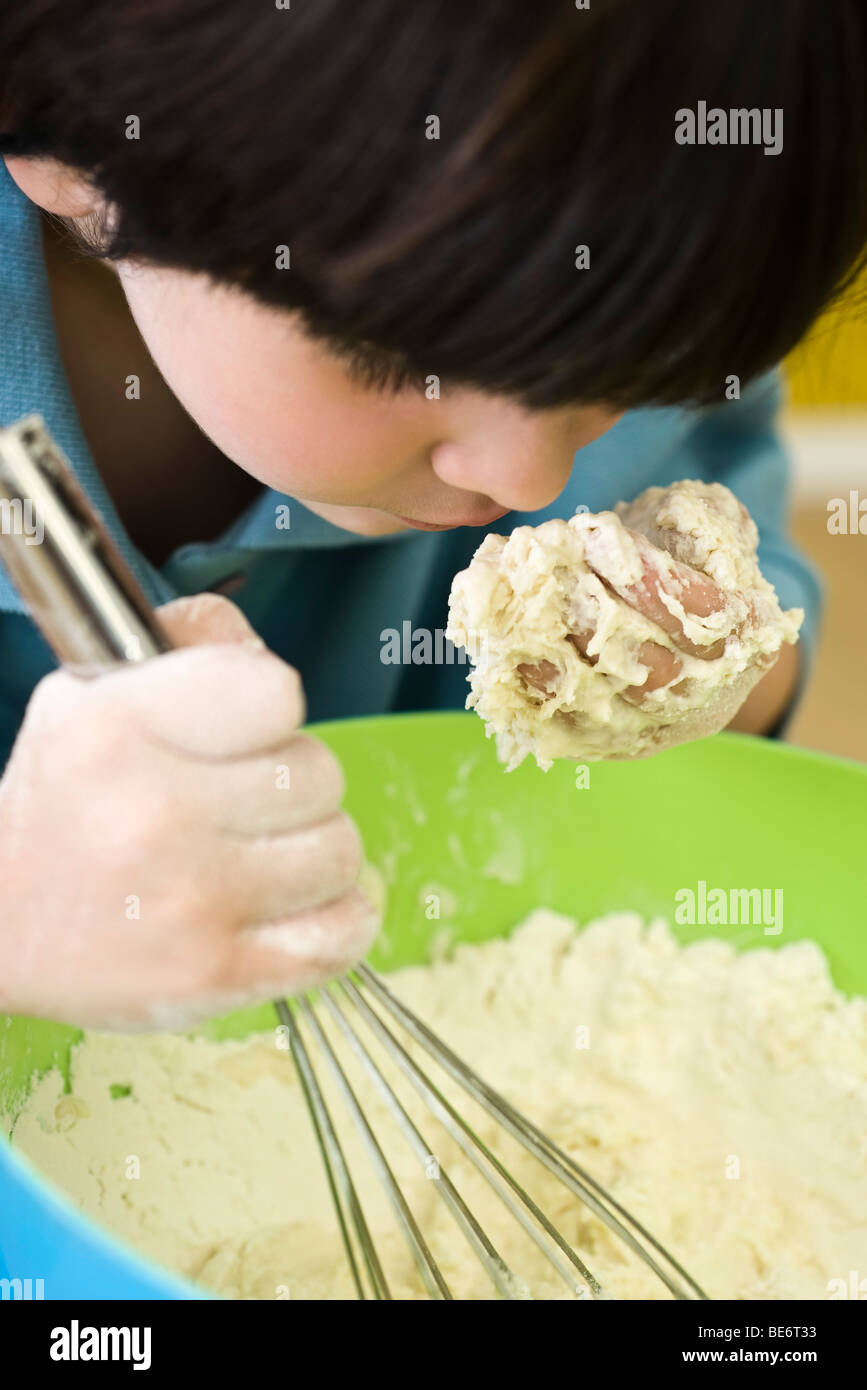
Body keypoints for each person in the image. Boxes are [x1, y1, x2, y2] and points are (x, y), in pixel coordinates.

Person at [0, 0, 864, 1027]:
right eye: (408, 358)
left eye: (620, 371)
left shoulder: (663, 258)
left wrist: (705, 674)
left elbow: (752, 640)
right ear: (69, 132)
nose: (533, 475)